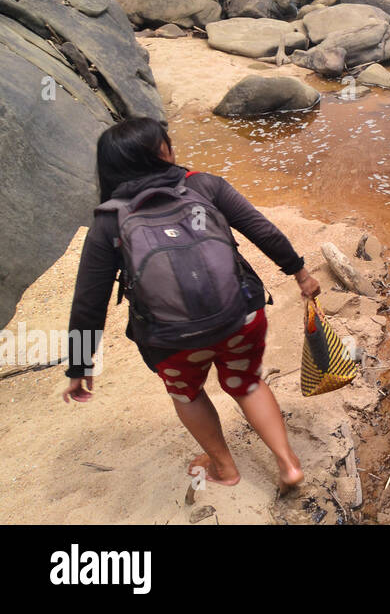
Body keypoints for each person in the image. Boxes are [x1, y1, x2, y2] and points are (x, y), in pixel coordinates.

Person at [62, 117, 324, 493]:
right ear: (163, 153)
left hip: (172, 339)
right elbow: (263, 230)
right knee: (246, 383)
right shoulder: (204, 185)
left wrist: (80, 364)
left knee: (186, 393)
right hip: (241, 318)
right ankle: (288, 464)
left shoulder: (109, 220)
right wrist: (300, 274)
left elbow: (89, 301)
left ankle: (224, 468)